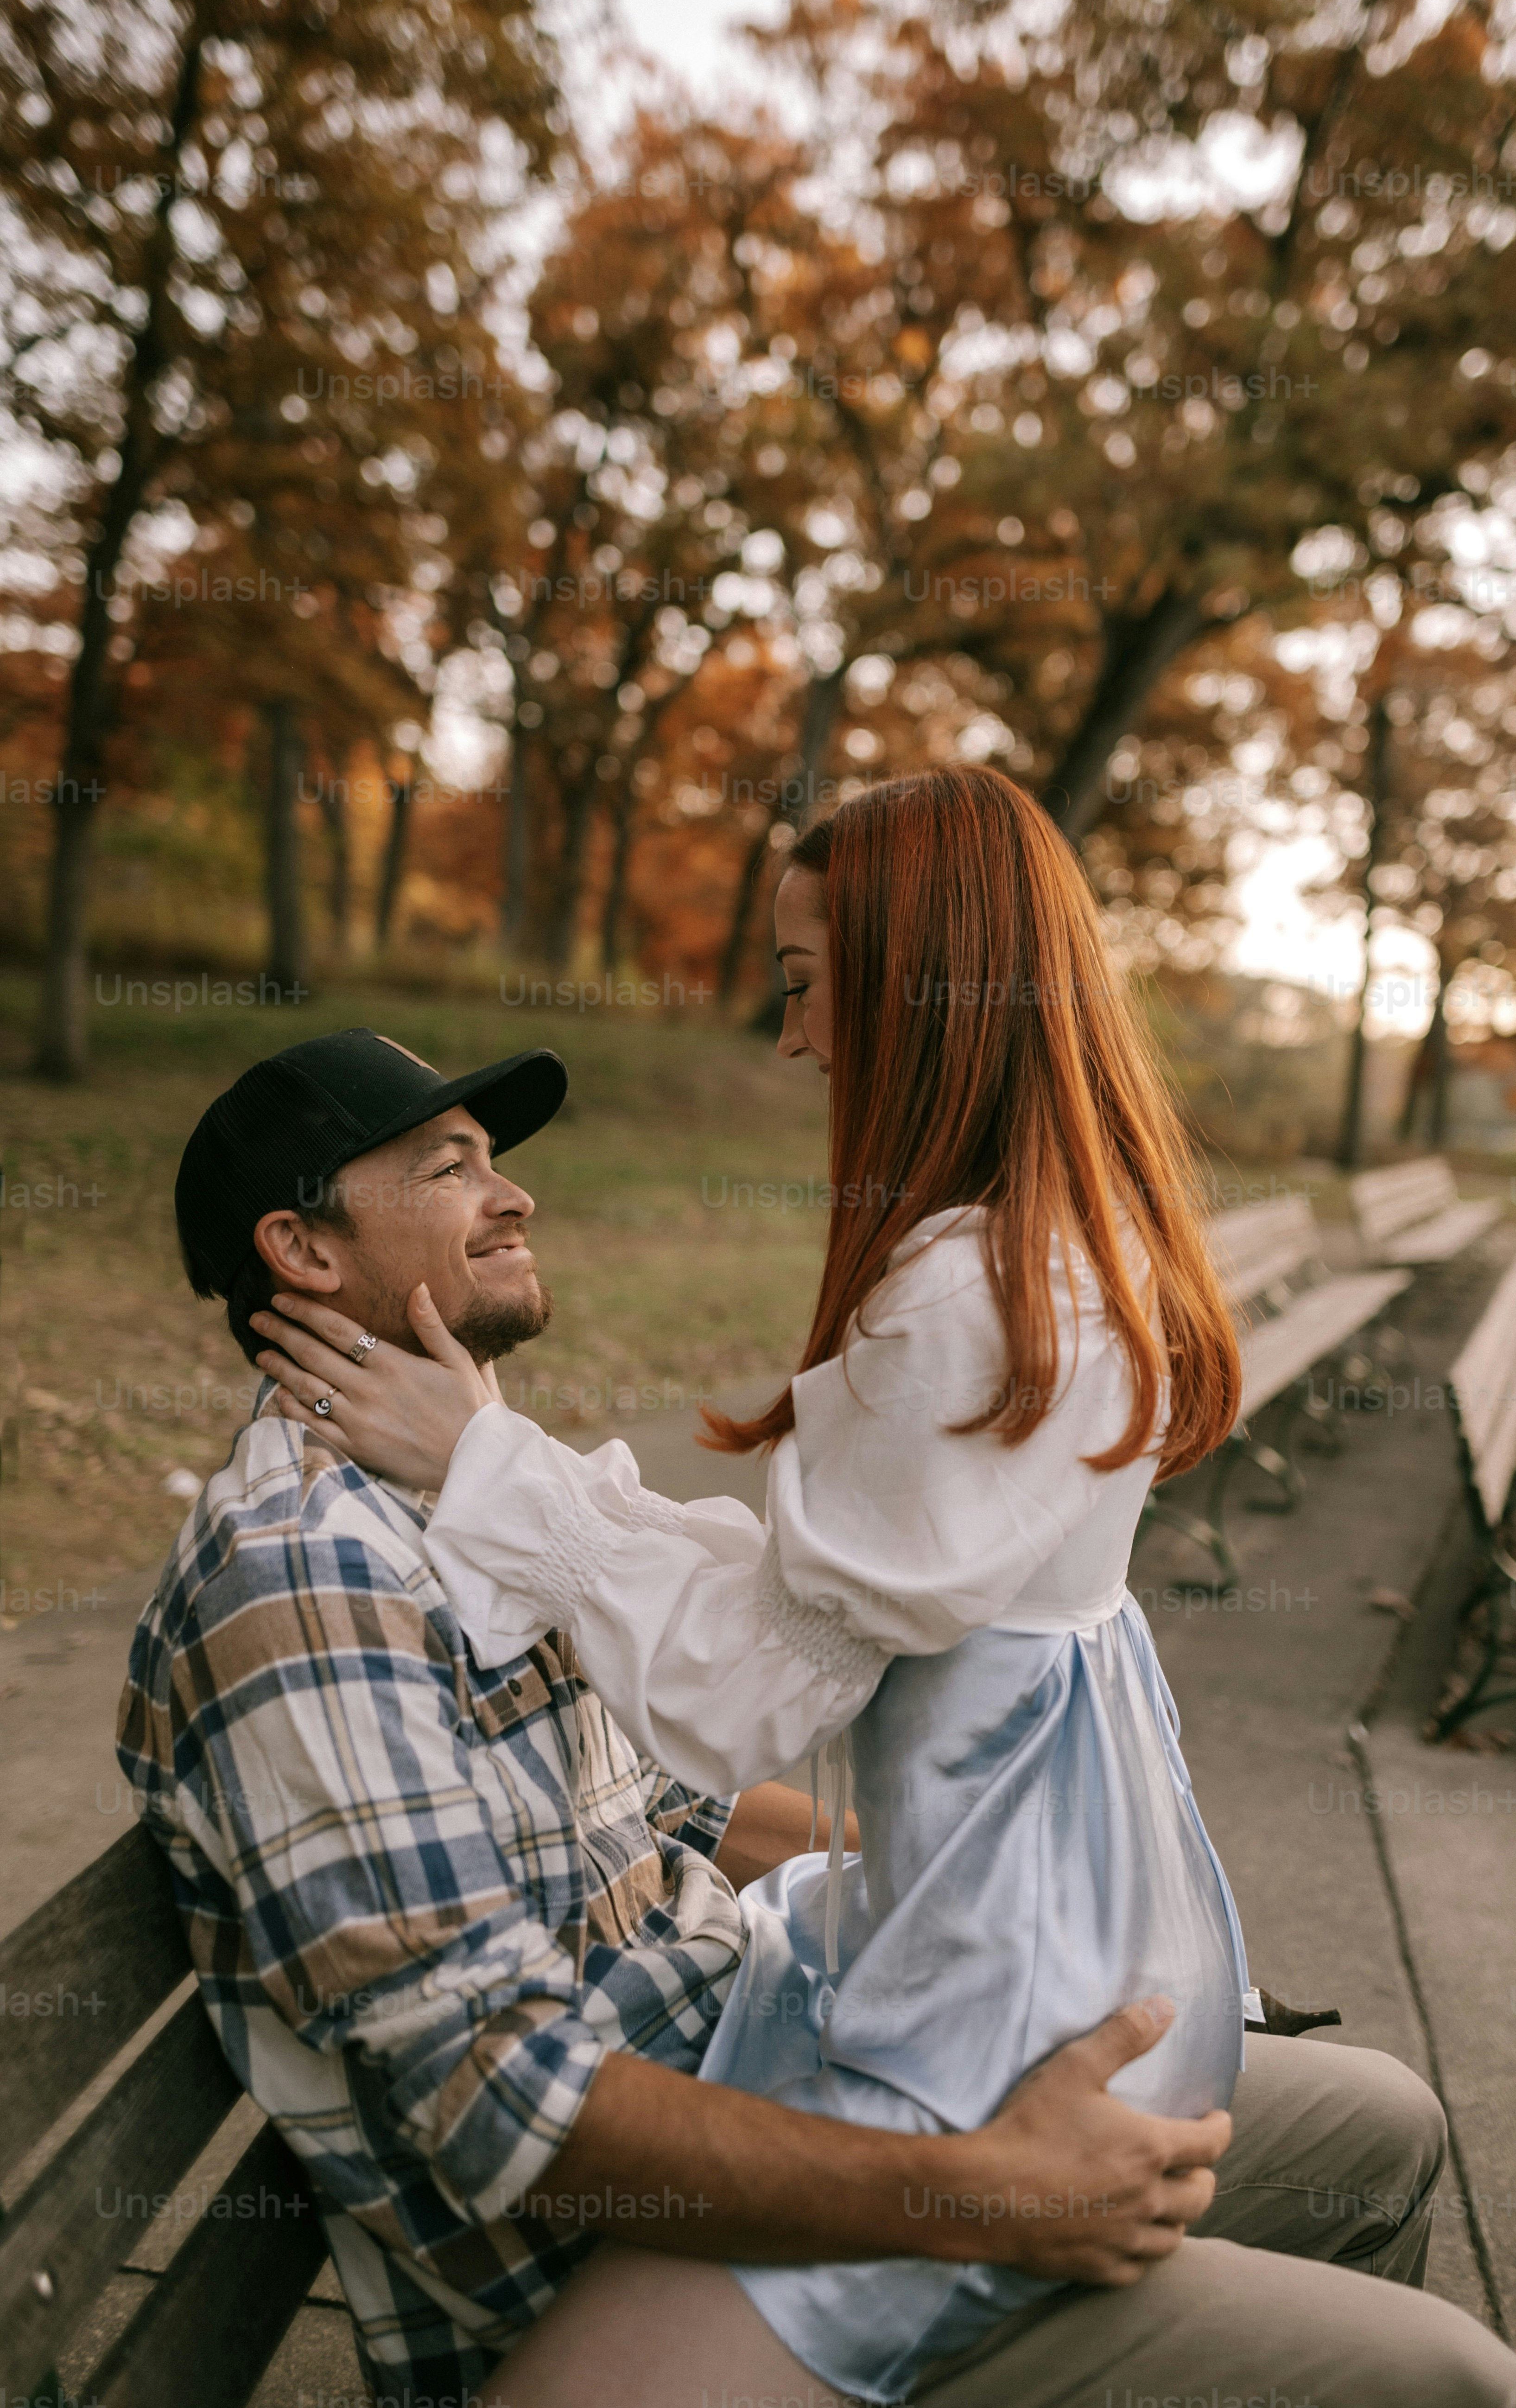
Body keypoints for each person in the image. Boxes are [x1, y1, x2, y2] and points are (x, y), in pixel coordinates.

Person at [249, 780, 1516, 2408]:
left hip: (983, 2008)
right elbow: (823, 1598)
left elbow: (762, 1686)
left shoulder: (976, 1296)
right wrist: (515, 1472)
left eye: (801, 982)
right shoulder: (1046, 1247)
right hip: (1042, 1932)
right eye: (454, 1166)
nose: (792, 1040)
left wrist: (499, 1478)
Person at [117, 1025, 1242, 2408]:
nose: (515, 1192)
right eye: (449, 1167)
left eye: (499, 1162)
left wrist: (995, 1935)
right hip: (716, 2233)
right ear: (303, 1250)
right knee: (1427, 2359)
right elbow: (498, 2094)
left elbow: (665, 1806)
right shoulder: (300, 1578)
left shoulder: (435, 1490)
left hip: (799, 2054)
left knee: (1359, 2120)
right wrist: (988, 2191)